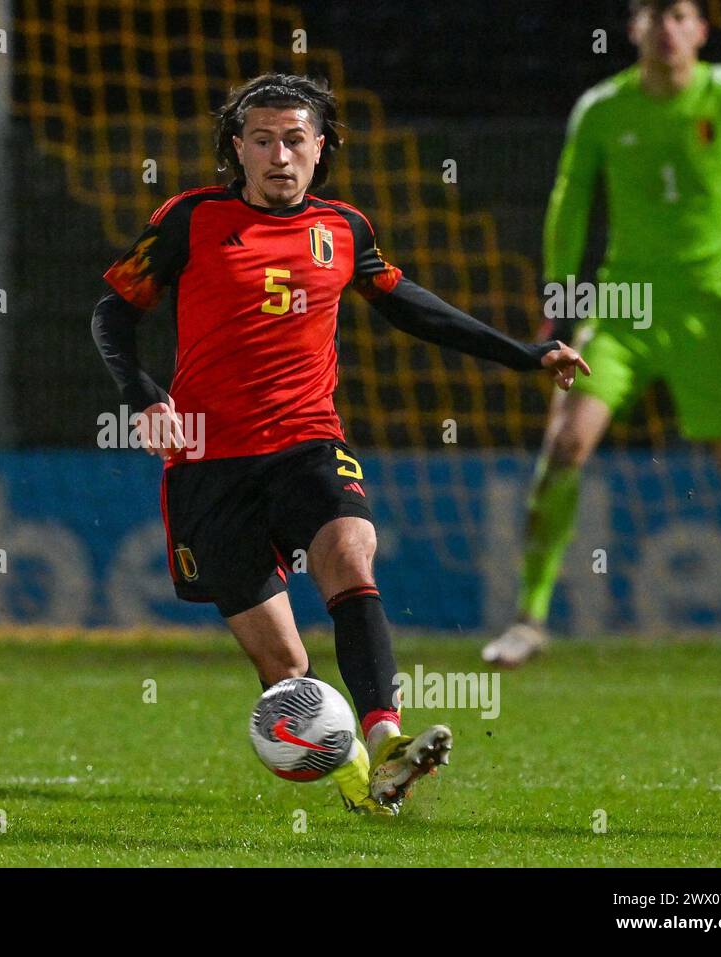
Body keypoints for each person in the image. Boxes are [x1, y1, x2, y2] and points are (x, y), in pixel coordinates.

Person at [92, 73, 590, 814]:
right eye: (261, 139)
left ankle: (387, 734)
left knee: (350, 549)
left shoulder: (344, 230)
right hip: (208, 463)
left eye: (295, 138)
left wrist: (525, 354)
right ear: (238, 147)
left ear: (320, 148)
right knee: (287, 671)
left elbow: (412, 308)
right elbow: (112, 313)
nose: (279, 154)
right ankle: (368, 787)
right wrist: (143, 395)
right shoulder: (188, 220)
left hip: (306, 441)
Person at [483, 0, 721, 671]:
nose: (666, 27)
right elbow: (570, 202)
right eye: (654, 14)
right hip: (622, 314)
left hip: (711, 322)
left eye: (680, 14)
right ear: (633, 29)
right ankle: (528, 619)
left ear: (700, 30)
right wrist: (560, 296)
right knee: (565, 443)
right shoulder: (603, 108)